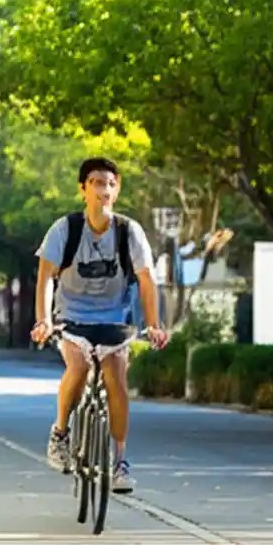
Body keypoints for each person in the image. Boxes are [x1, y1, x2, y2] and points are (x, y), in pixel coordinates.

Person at [31, 157, 169, 494]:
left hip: (113, 320)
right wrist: (44, 320)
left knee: (116, 378)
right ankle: (60, 434)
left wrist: (154, 324)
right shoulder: (65, 229)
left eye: (109, 184)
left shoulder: (128, 232)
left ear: (116, 189)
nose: (103, 190)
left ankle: (119, 461)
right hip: (72, 318)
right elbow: (46, 277)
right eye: (95, 183)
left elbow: (147, 280)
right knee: (77, 367)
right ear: (83, 190)